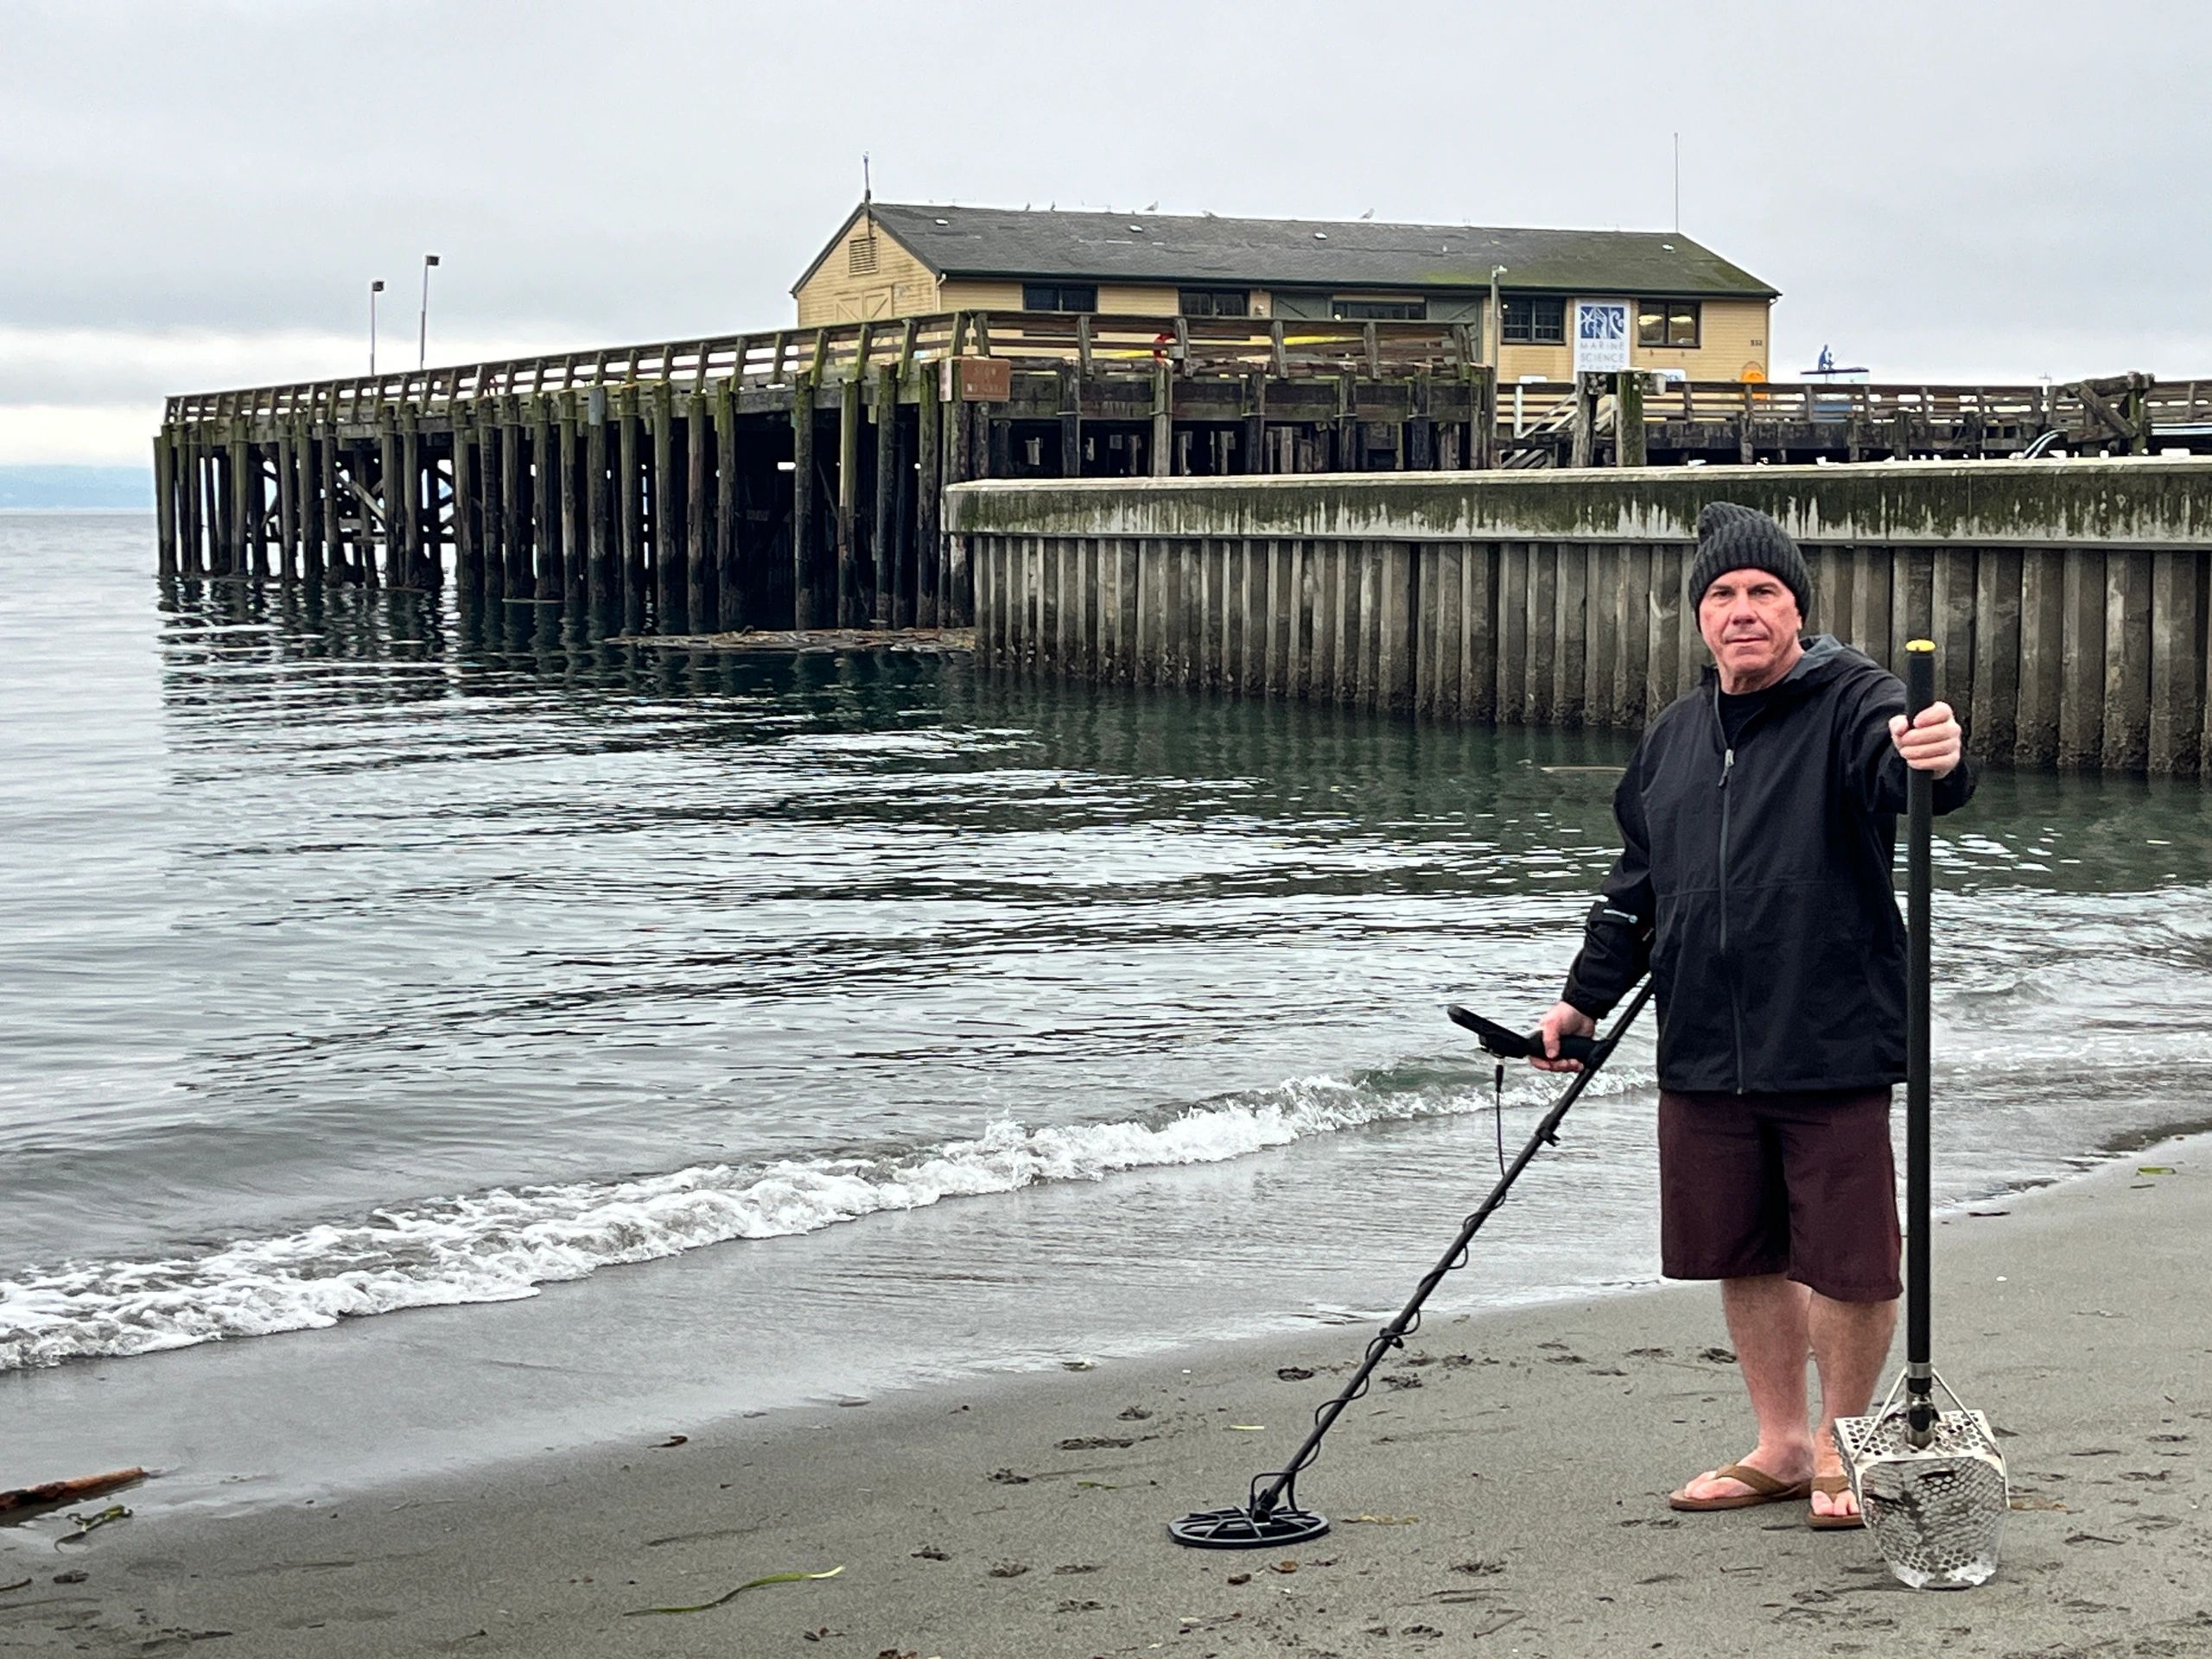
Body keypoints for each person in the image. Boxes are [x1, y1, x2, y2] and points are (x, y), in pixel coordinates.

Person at [1531, 501, 1972, 1529]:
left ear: (1796, 612)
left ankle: (1840, 1441)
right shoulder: (1674, 739)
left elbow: (1909, 773)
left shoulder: (1855, 700)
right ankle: (1779, 1442)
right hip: (1701, 1044)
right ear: (1697, 618)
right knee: (1741, 1249)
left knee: (1850, 1258)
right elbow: (1633, 886)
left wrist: (1936, 756)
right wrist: (1579, 1001)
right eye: (1722, 596)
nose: (1741, 611)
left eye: (1763, 593)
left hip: (1826, 1034)